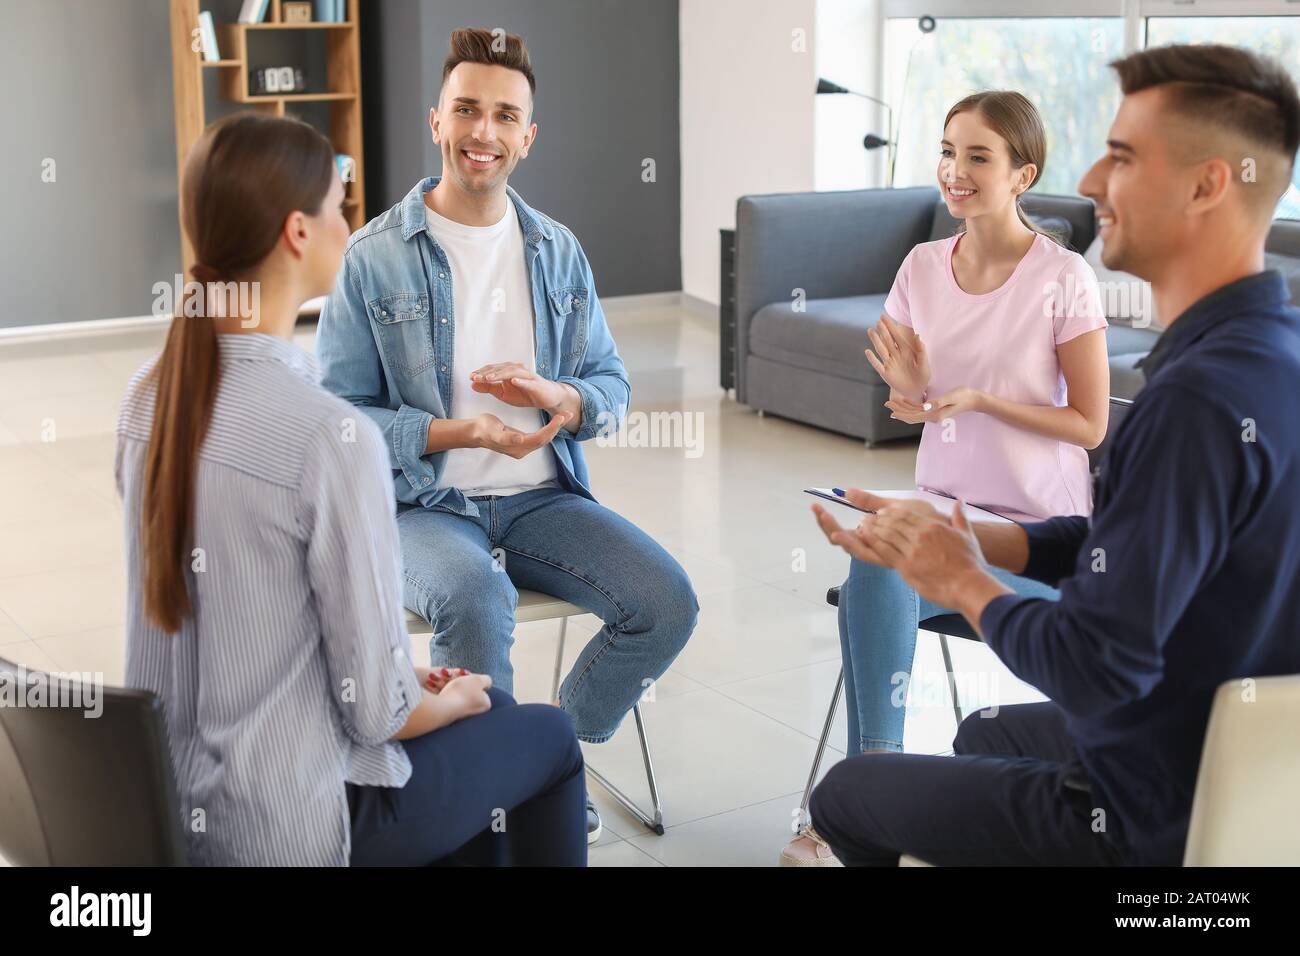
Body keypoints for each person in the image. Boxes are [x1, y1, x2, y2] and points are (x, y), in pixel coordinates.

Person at [808, 43, 1300, 866]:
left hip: (1147, 803)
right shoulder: (1262, 352)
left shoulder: (1194, 403)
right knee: (982, 731)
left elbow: (1096, 665)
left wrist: (961, 580)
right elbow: (1134, 550)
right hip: (1214, 738)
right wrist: (987, 542)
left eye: (1122, 156)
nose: (1096, 182)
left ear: (1207, 185)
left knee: (843, 798)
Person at [117, 112, 586, 867]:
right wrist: (436, 695)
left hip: (170, 810)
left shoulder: (147, 399)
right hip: (295, 828)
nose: (350, 221)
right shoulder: (329, 437)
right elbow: (376, 712)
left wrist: (413, 681)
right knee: (544, 737)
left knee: (482, 720)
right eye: (339, 205)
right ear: (298, 233)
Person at [316, 27, 698, 843]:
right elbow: (338, 424)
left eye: (502, 116)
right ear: (435, 121)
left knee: (666, 603)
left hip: (541, 503)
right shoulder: (373, 256)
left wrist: (559, 395)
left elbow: (612, 388)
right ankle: (487, 808)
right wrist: (458, 428)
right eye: (465, 110)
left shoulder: (559, 253)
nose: (481, 133)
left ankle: (543, 759)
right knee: (474, 597)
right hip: (423, 506)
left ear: (527, 135)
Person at [784, 91, 1109, 865]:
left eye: (978, 156)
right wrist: (913, 393)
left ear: (1022, 173)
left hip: (1037, 541)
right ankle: (876, 783)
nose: (954, 172)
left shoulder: (1063, 278)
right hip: (944, 513)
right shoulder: (923, 267)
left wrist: (984, 401)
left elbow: (1090, 425)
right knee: (878, 556)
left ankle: (855, 807)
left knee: (889, 559)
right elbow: (913, 407)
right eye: (948, 151)